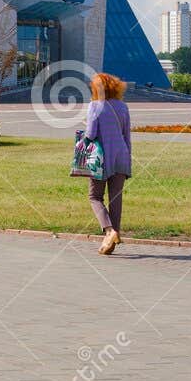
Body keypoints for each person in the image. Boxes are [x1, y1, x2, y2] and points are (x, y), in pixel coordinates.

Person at [84, 72, 133, 254]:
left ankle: (109, 230)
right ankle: (111, 241)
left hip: (101, 157)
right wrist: (128, 162)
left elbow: (90, 135)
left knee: (95, 196)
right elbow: (127, 135)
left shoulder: (95, 106)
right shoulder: (123, 107)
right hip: (122, 155)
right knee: (115, 198)